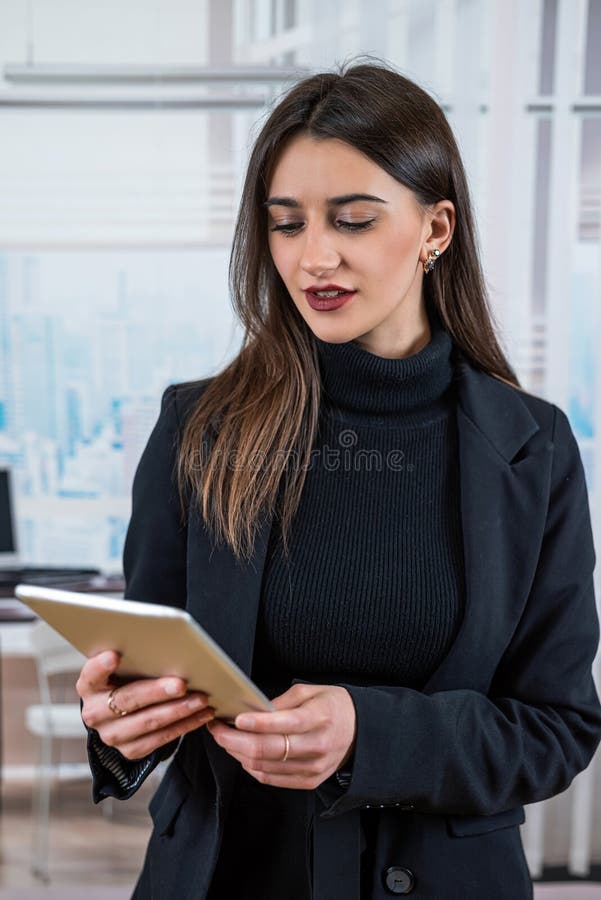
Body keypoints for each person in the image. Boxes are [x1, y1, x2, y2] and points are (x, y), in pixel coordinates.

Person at [76, 61, 601, 900]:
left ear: (435, 229)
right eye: (286, 225)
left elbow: (555, 729)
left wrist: (370, 734)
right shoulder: (199, 428)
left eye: (353, 220)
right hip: (228, 879)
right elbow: (149, 684)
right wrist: (119, 726)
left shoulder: (529, 446)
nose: (313, 257)